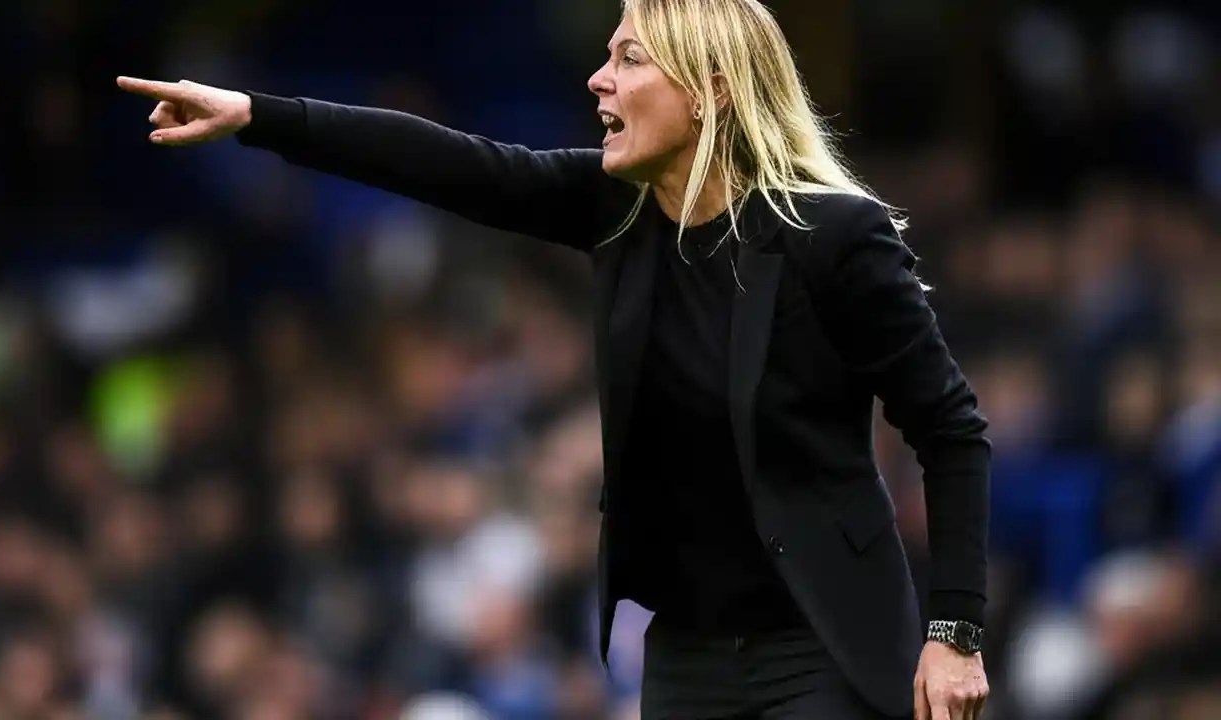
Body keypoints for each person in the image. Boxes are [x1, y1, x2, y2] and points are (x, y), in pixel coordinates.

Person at [116, 0, 992, 717]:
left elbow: (950, 430)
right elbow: (449, 164)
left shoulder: (834, 236)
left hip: (822, 644)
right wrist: (259, 116)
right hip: (686, 654)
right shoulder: (613, 209)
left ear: (711, 90)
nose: (597, 78)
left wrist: (955, 631)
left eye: (630, 59)